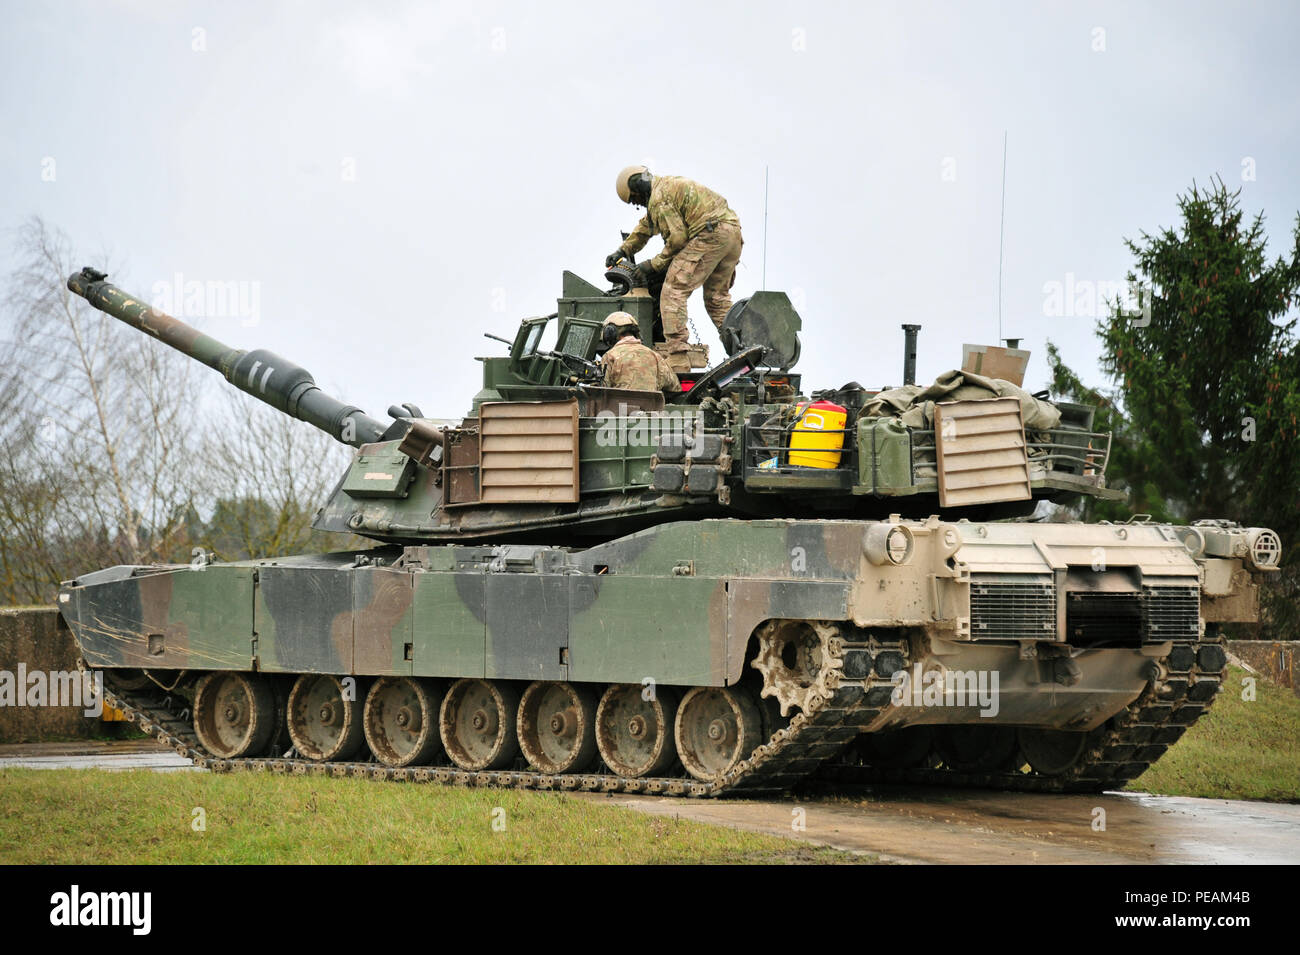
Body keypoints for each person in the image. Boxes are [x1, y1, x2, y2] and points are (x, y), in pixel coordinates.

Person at [605, 166, 743, 356]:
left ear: (638, 186)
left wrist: (651, 265)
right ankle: (742, 345)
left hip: (709, 235)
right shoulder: (665, 188)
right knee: (716, 300)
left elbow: (678, 240)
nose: (638, 204)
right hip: (731, 234)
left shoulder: (659, 199)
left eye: (635, 199)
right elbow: (645, 228)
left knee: (673, 290)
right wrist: (623, 250)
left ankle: (678, 354)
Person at [599, 312, 681, 393]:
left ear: (609, 334)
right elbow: (675, 387)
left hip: (621, 406)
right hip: (651, 406)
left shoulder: (609, 356)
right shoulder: (655, 356)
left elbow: (602, 389)